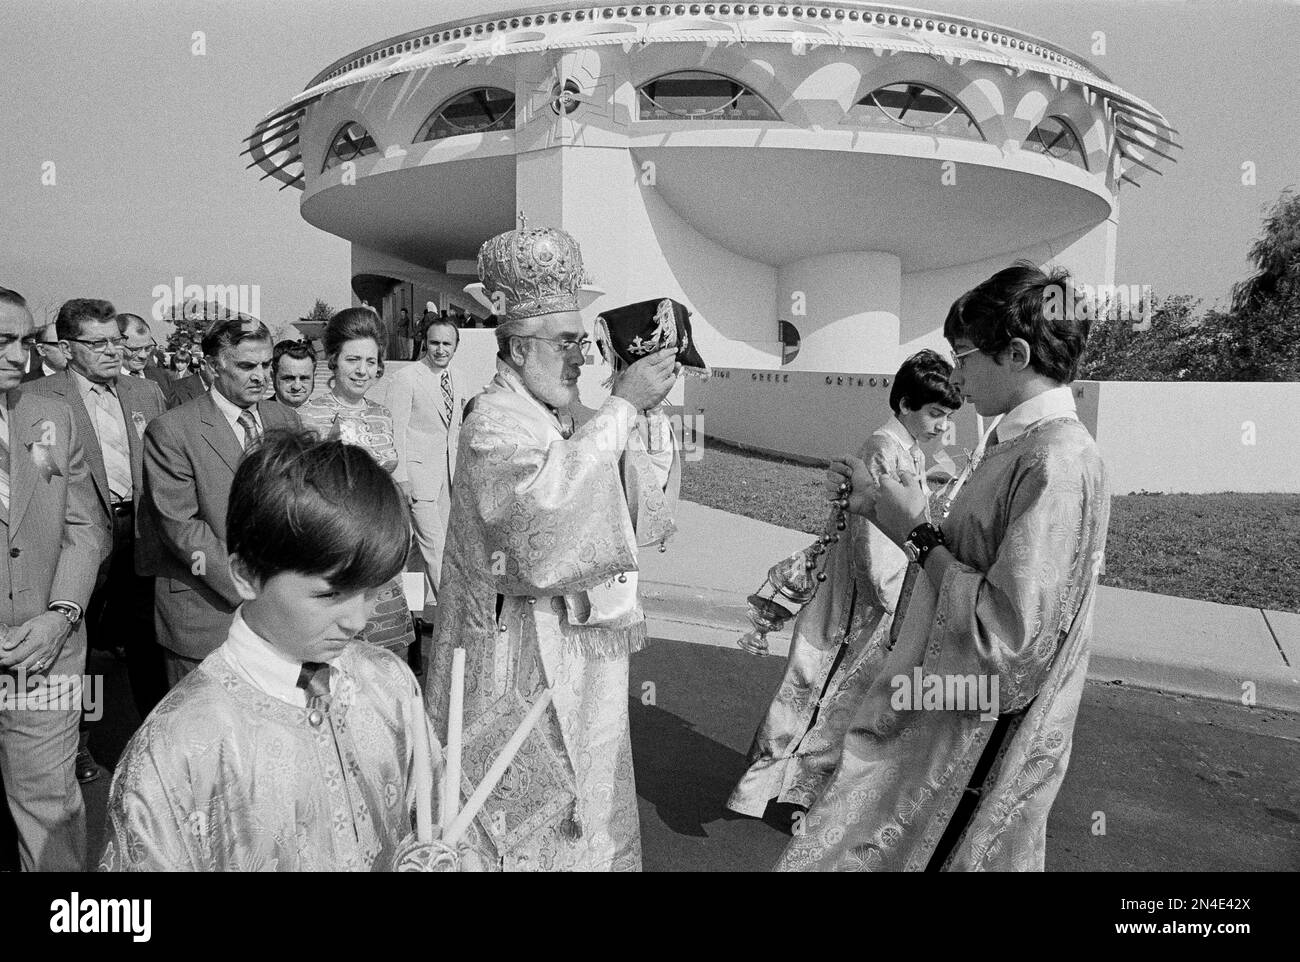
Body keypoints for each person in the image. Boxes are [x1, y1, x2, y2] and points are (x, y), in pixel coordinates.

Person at [777, 261, 1111, 872]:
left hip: (969, 741)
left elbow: (1008, 641)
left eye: (964, 356)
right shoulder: (1015, 444)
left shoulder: (1057, 462)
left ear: (1015, 353)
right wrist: (885, 514)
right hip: (936, 705)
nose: (957, 376)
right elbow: (963, 558)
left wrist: (917, 532)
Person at [425, 226, 680, 872]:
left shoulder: (559, 419)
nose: (580, 359)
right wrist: (622, 408)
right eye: (566, 344)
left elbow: (641, 515)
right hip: (515, 679)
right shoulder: (493, 422)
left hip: (581, 667)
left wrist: (636, 414)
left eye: (582, 344)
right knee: (526, 841)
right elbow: (543, 531)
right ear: (515, 347)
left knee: (590, 820)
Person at [100, 431, 448, 871]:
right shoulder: (178, 748)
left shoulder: (389, 683)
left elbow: (438, 816)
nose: (358, 621)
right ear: (246, 575)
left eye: (373, 591)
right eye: (329, 595)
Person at [728, 349, 961, 820]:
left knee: (839, 693)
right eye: (935, 414)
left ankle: (802, 793)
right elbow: (872, 537)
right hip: (861, 598)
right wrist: (900, 597)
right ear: (905, 405)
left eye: (947, 417)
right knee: (823, 686)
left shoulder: (908, 449)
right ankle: (787, 792)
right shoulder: (884, 449)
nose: (942, 427)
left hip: (873, 595)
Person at [26, 298, 170, 778]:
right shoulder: (39, 398)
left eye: (116, 340)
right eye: (99, 343)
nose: (113, 351)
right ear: (67, 348)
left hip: (142, 532)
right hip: (80, 539)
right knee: (81, 645)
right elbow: (42, 478)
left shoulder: (146, 392)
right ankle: (80, 742)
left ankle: (159, 737)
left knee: (149, 638)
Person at [0, 287, 106, 871]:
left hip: (47, 660)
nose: (20, 355)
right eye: (3, 340)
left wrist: (60, 614)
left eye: (25, 340)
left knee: (50, 814)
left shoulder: (48, 420)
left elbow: (79, 526)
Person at [139, 317, 300, 686]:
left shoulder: (286, 419)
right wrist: (250, 585)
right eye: (247, 366)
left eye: (266, 365)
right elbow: (181, 528)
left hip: (281, 611)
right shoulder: (172, 430)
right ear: (213, 366)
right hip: (207, 611)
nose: (261, 376)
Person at [296, 308, 412, 657]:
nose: (362, 370)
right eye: (353, 360)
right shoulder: (307, 416)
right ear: (332, 360)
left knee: (388, 660)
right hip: (336, 555)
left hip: (382, 557)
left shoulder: (382, 414)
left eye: (370, 361)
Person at [388, 316, 462, 612]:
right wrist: (402, 476)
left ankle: (414, 612)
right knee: (437, 546)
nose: (440, 349)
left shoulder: (458, 378)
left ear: (456, 347)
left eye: (447, 344)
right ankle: (454, 614)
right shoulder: (406, 378)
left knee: (419, 551)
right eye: (435, 343)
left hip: (446, 476)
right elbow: (395, 430)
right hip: (417, 476)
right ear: (425, 343)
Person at [118, 313, 177, 408]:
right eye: (135, 349)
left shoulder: (161, 377)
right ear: (117, 345)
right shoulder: (109, 381)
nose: (143, 355)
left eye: (148, 348)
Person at [271, 338, 316, 409]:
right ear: (273, 377)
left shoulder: (328, 415)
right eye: (289, 378)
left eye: (304, 378)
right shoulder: (255, 414)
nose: (297, 387)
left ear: (314, 377)